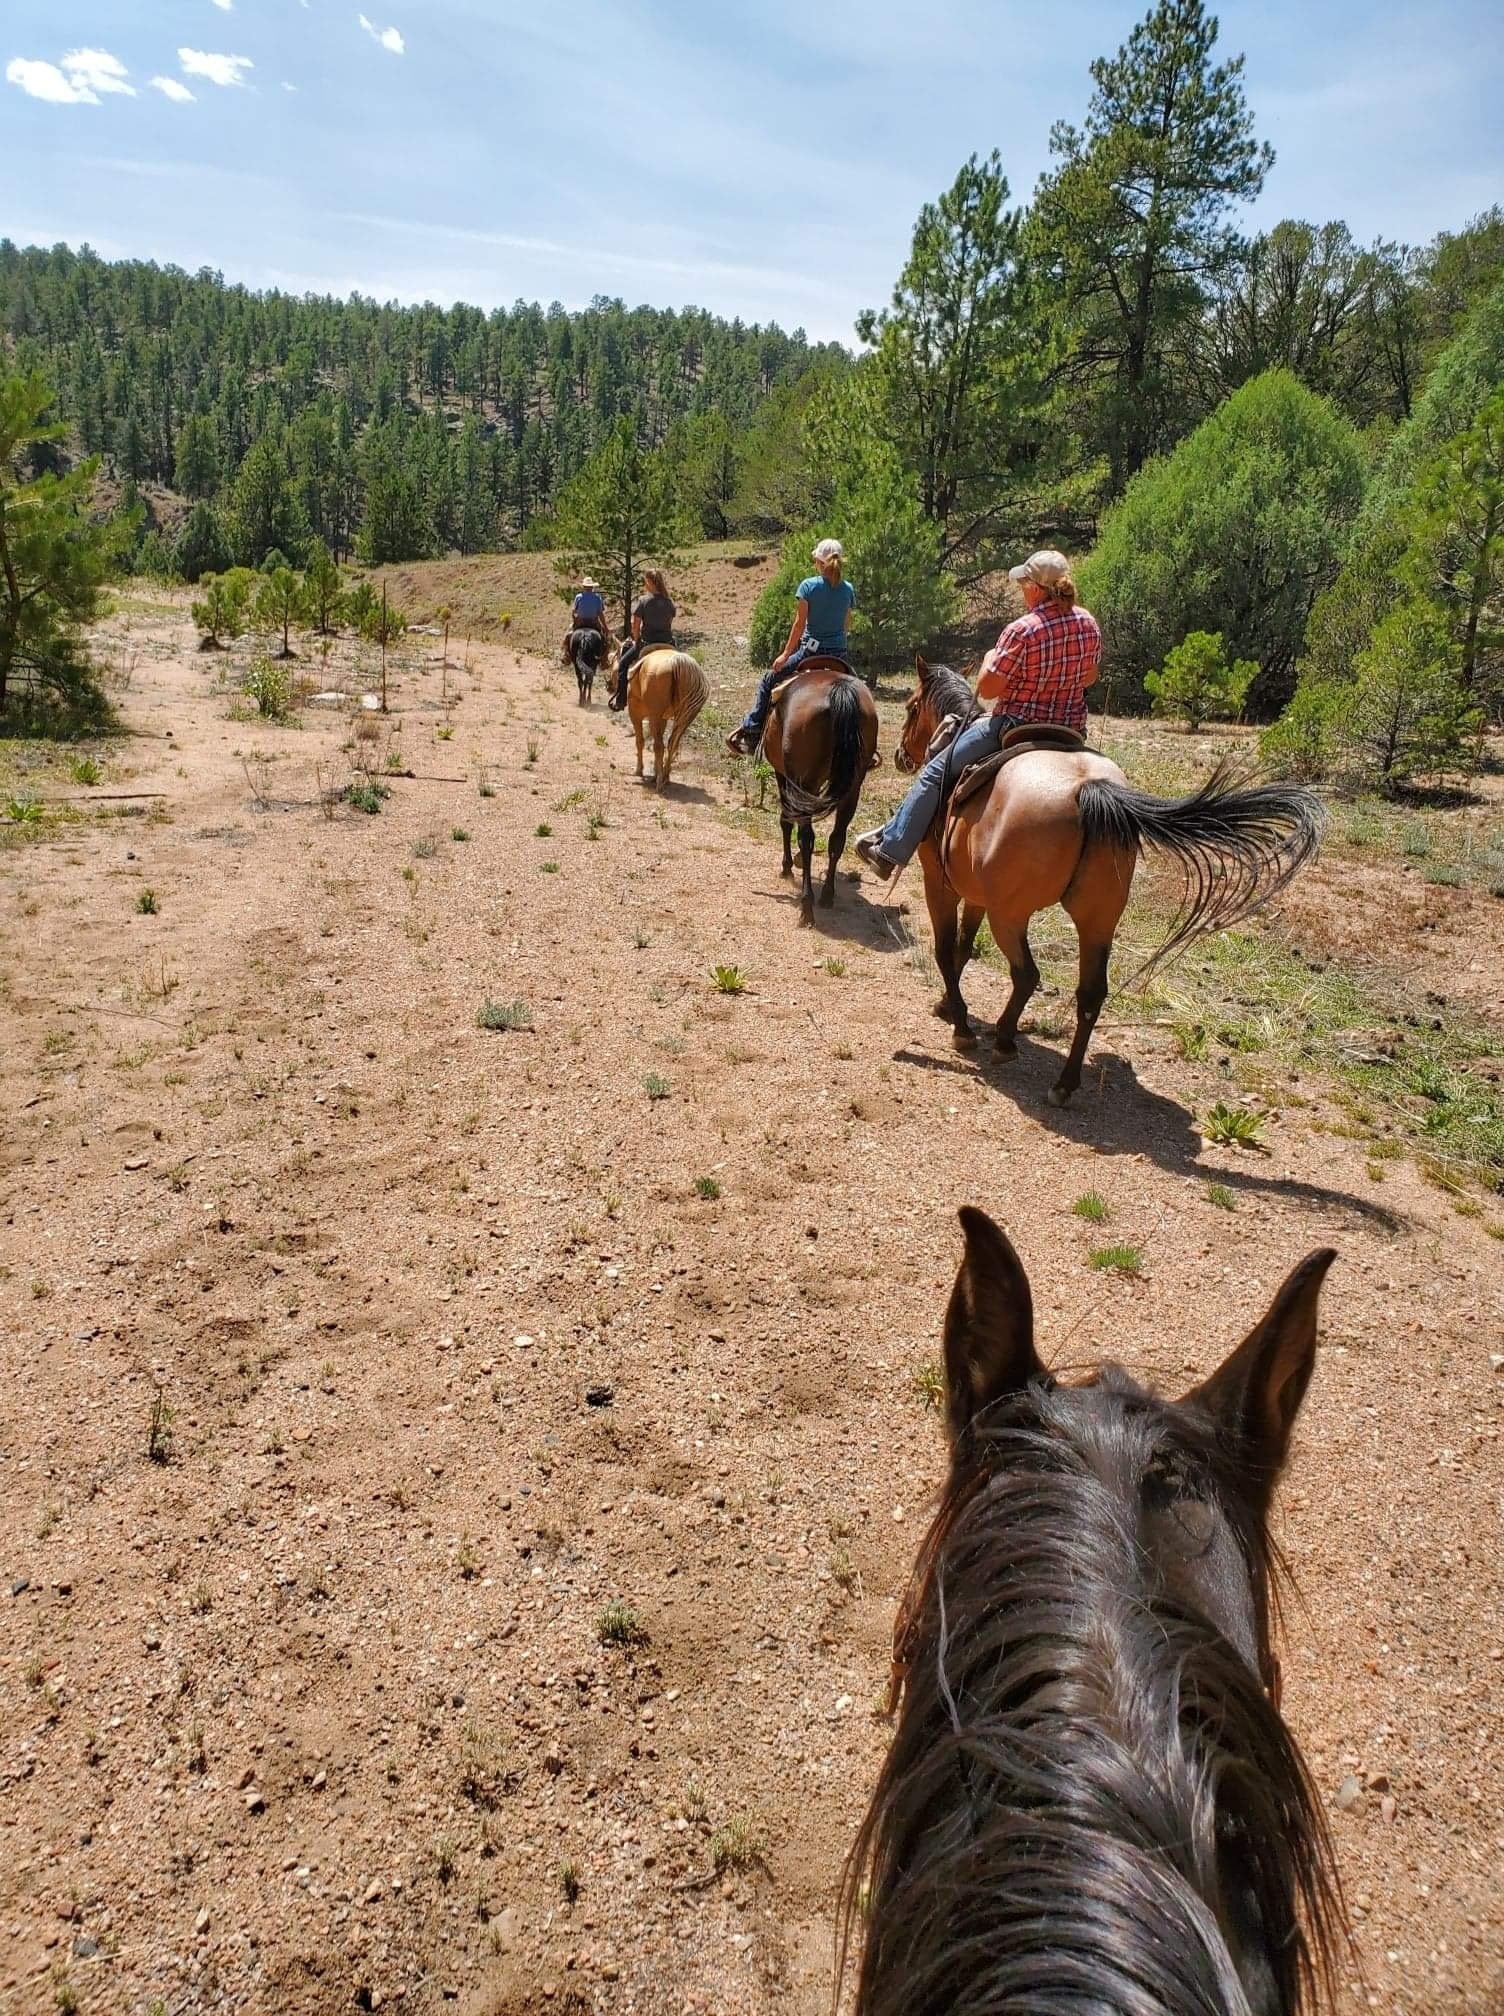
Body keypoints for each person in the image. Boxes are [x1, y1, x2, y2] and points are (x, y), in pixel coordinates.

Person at [853, 550, 1101, 878]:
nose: (1021, 591)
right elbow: (1089, 677)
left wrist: (987, 660)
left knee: (934, 771)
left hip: (1014, 726)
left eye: (1023, 584)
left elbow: (988, 689)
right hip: (1070, 730)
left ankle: (891, 849)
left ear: (1036, 589)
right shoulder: (1087, 623)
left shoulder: (1022, 629)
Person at [725, 538, 856, 754]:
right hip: (839, 656)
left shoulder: (808, 586)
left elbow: (799, 624)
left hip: (810, 653)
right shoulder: (848, 589)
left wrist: (785, 654)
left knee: (769, 679)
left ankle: (752, 730)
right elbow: (846, 623)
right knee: (858, 695)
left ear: (819, 563)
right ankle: (864, 748)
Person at [610, 567, 677, 710]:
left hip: (647, 643)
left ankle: (621, 701)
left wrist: (636, 640)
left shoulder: (643, 601)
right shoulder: (669, 601)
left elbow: (636, 626)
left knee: (622, 665)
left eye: (645, 581)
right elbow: (669, 623)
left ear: (649, 582)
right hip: (667, 643)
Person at [562, 576, 611, 664]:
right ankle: (604, 659)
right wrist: (605, 627)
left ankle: (566, 655)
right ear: (592, 587)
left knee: (568, 635)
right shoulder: (597, 597)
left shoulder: (578, 597)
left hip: (580, 622)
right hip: (594, 623)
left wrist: (574, 621)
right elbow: (600, 614)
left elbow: (573, 612)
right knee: (604, 639)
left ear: (584, 587)